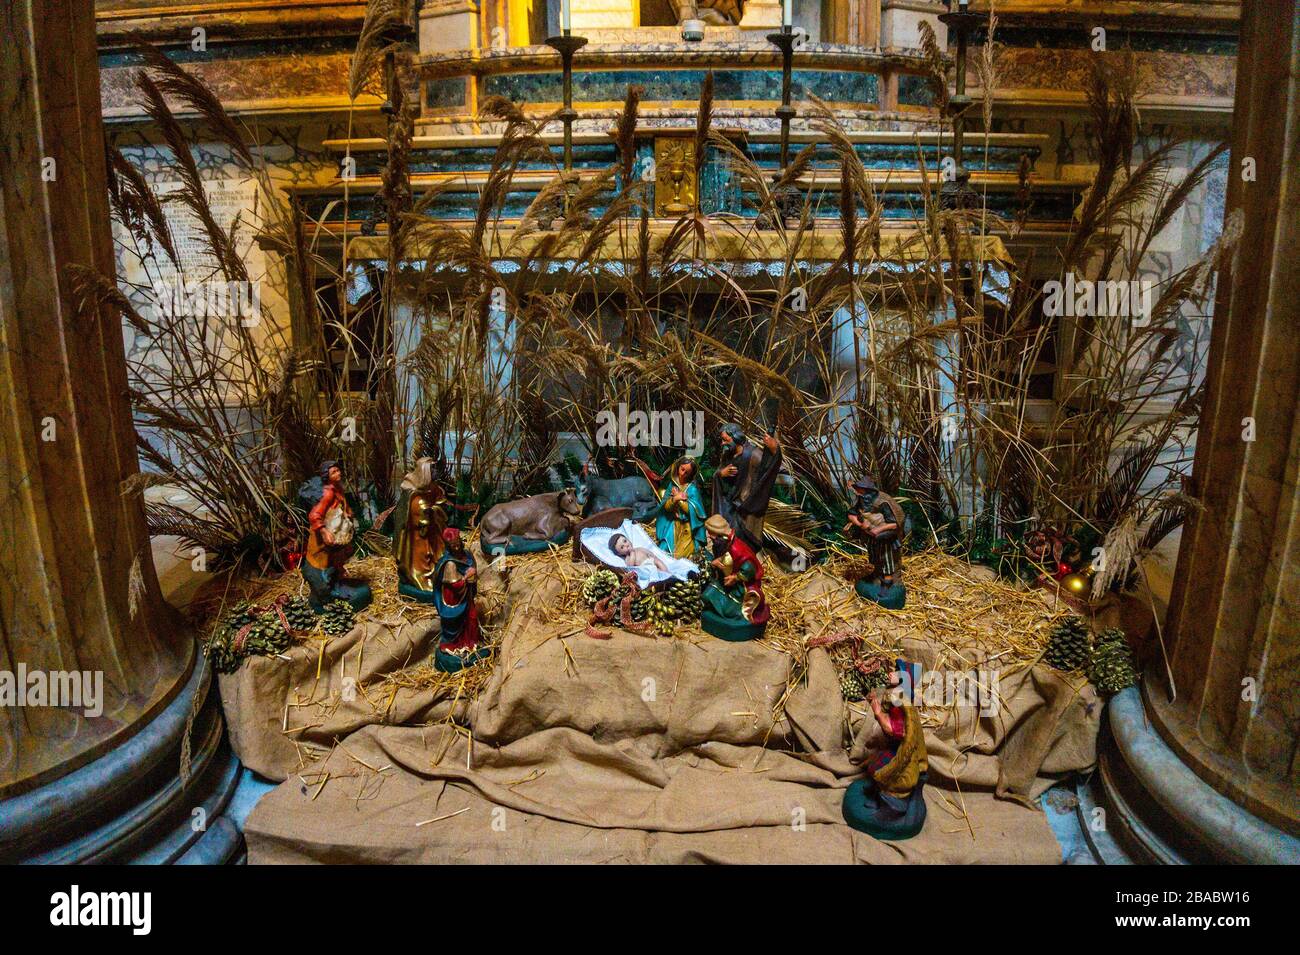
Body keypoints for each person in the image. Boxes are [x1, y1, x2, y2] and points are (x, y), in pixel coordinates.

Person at [842, 666, 928, 841]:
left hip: (902, 754)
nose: (891, 674)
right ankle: (876, 795)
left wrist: (878, 712)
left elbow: (895, 730)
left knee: (884, 771)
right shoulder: (897, 697)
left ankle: (893, 806)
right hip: (895, 747)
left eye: (897, 673)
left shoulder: (903, 704)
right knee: (875, 765)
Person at [302, 460, 372, 611]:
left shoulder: (338, 488)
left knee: (339, 557)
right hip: (328, 534)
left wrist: (348, 513)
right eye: (334, 472)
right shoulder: (327, 493)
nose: (338, 473)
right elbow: (315, 515)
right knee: (325, 562)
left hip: (339, 530)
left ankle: (338, 580)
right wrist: (323, 531)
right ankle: (326, 590)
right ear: (327, 476)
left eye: (338, 470)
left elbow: (341, 503)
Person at [712, 424, 783, 556]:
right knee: (722, 537)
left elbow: (768, 468)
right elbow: (718, 473)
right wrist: (721, 474)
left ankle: (742, 566)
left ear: (736, 438)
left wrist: (774, 450)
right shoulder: (727, 455)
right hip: (729, 504)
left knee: (741, 542)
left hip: (745, 506)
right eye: (722, 440)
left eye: (725, 440)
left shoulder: (753, 455)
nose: (722, 444)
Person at [392, 456, 449, 601]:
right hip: (416, 535)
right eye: (432, 469)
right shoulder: (411, 491)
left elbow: (441, 502)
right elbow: (411, 512)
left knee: (437, 553)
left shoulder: (434, 487)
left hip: (433, 531)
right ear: (424, 472)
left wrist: (434, 511)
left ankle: (437, 572)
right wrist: (424, 513)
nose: (436, 472)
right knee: (422, 556)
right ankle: (421, 578)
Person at [845, 474, 907, 608]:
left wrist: (879, 530)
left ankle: (888, 584)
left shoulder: (883, 502)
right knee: (875, 557)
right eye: (858, 489)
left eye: (861, 489)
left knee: (887, 560)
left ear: (869, 490)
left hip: (886, 538)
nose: (859, 491)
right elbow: (852, 513)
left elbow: (895, 523)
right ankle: (877, 576)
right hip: (873, 538)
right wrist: (861, 525)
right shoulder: (861, 501)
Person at [700, 513, 769, 631]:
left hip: (740, 588)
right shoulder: (723, 544)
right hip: (725, 583)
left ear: (719, 533)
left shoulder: (736, 549)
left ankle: (732, 613)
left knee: (728, 609)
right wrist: (714, 563)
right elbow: (722, 560)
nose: (709, 536)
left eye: (711, 533)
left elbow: (749, 569)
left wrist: (735, 578)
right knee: (706, 596)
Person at [433, 528, 487, 672]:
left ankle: (471, 643)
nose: (457, 547)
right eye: (453, 545)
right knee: (456, 623)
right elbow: (454, 585)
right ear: (448, 546)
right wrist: (466, 577)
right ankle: (454, 645)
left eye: (458, 544)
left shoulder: (467, 554)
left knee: (472, 619)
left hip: (467, 597)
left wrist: (472, 576)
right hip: (455, 599)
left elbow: (473, 570)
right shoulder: (449, 563)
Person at [632, 454, 707, 558]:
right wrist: (675, 499)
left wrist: (679, 501)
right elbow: (665, 508)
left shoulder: (692, 489)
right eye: (682, 469)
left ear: (691, 475)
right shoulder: (672, 485)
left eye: (687, 473)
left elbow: (693, 511)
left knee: (680, 556)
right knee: (662, 550)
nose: (683, 474)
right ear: (678, 467)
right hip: (673, 523)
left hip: (687, 528)